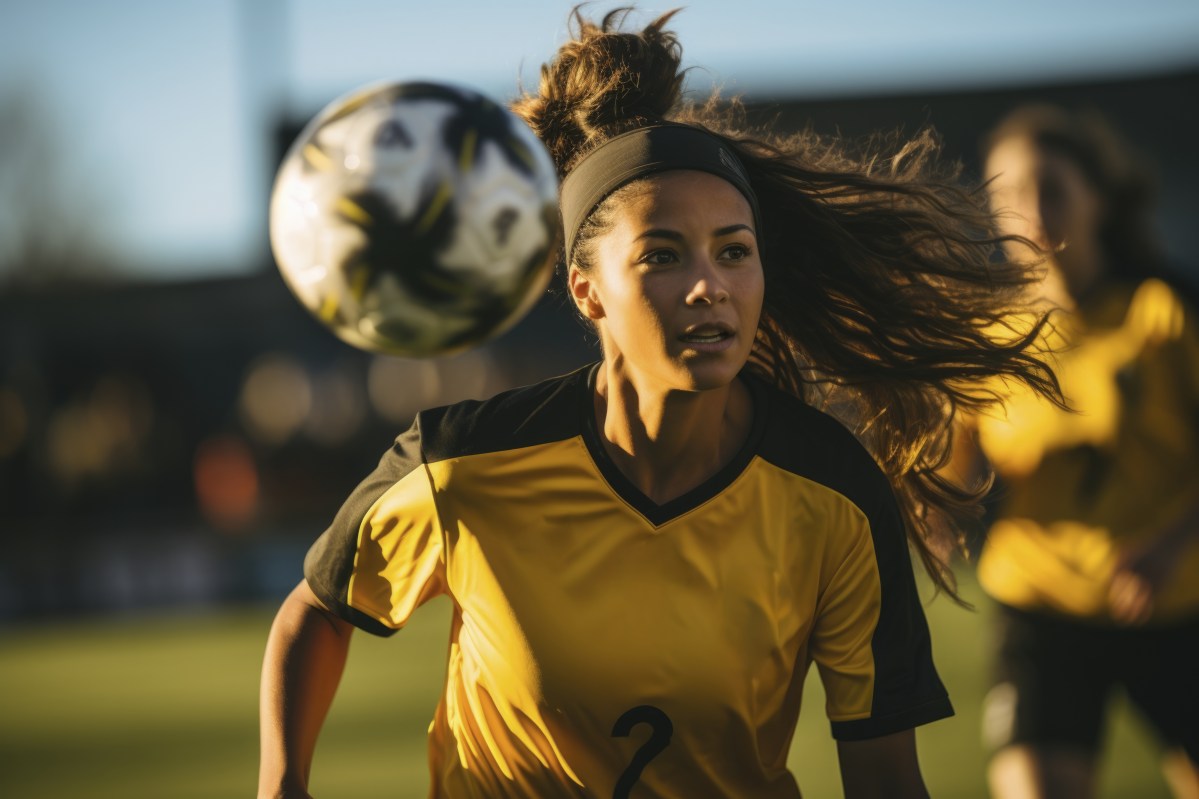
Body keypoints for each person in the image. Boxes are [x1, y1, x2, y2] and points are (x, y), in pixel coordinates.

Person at [258, 9, 1059, 798]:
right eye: (663, 254)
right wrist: (281, 782)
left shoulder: (832, 493)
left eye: (735, 252)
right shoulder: (460, 464)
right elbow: (319, 609)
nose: (710, 285)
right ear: (587, 291)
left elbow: (885, 777)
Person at [958, 104, 1199, 798]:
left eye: (1051, 186)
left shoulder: (1163, 308)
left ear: (1097, 195)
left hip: (1174, 601)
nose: (1029, 210)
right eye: (1005, 193)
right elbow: (949, 475)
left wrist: (1170, 543)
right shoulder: (983, 336)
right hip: (1039, 602)